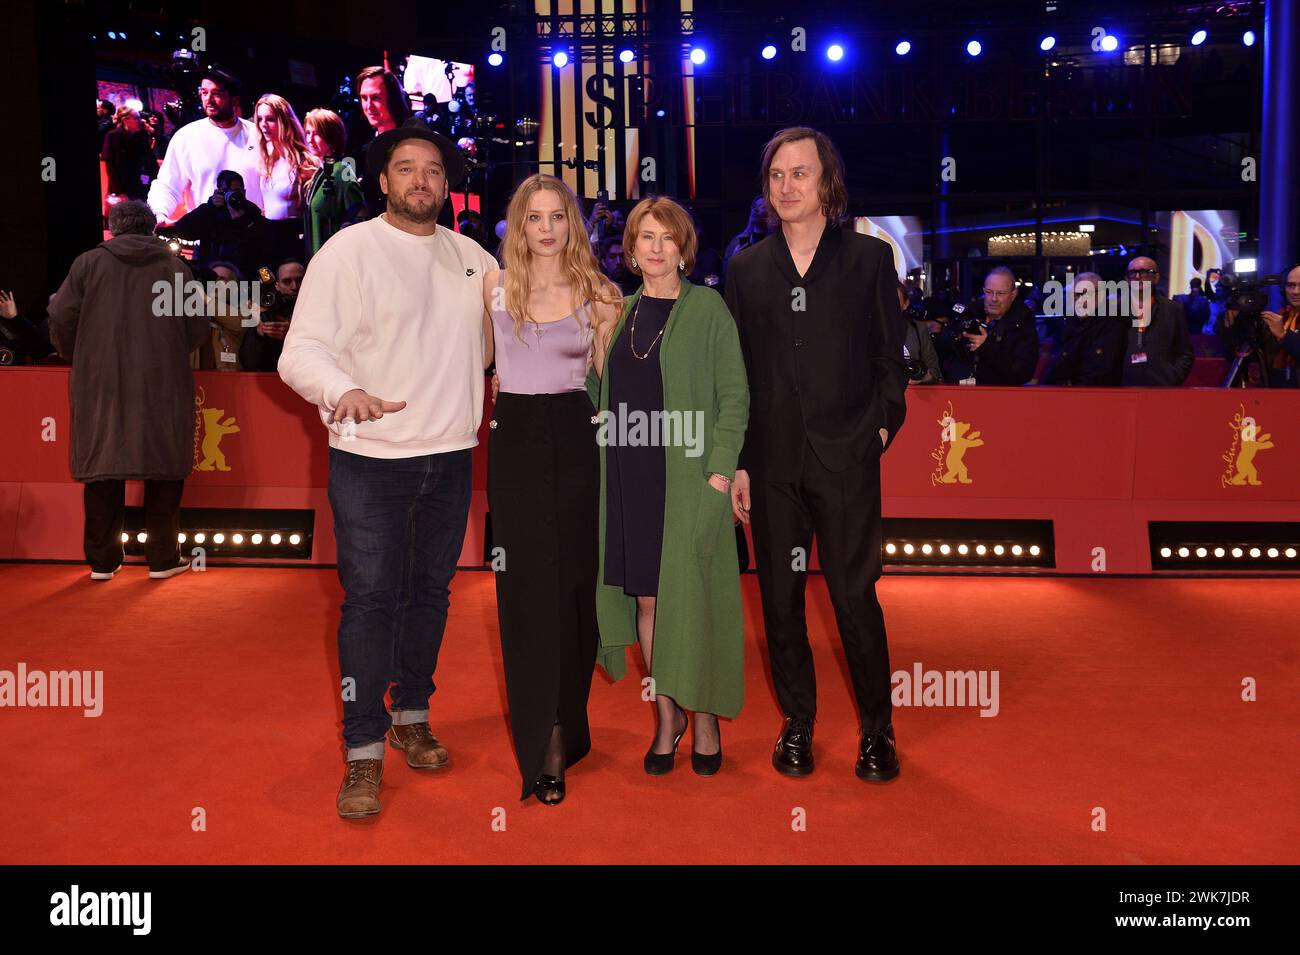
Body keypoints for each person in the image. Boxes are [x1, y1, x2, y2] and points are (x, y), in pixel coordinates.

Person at [278, 120, 496, 820]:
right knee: (369, 601)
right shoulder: (348, 251)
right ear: (383, 180)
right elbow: (300, 350)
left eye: (432, 169)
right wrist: (342, 391)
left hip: (452, 456)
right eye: (406, 168)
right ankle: (364, 748)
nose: (421, 181)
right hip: (371, 461)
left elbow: (512, 338)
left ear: (446, 181)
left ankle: (412, 710)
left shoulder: (474, 258)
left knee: (430, 594)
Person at [725, 126, 907, 783]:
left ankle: (878, 731)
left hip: (846, 461)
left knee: (856, 600)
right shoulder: (745, 269)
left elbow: (892, 363)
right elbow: (737, 375)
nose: (787, 186)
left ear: (826, 183)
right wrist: (741, 460)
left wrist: (879, 431)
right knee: (779, 603)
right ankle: (799, 721)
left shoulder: (867, 260)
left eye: (800, 173)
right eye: (777, 175)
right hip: (772, 468)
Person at [589, 195, 749, 777]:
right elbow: (593, 393)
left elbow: (735, 396)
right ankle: (666, 716)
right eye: (644, 238)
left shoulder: (707, 309)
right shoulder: (619, 314)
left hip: (688, 480)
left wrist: (720, 471)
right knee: (651, 604)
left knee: (695, 601)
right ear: (630, 249)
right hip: (630, 479)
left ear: (683, 248)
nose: (655, 249)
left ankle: (702, 717)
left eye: (667, 238)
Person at [483, 174, 620, 805]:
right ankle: (541, 737)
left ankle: (567, 723)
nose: (545, 228)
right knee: (523, 592)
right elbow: (474, 369)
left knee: (571, 590)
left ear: (572, 224)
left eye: (557, 217)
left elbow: (615, 389)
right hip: (512, 439)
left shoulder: (600, 294)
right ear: (518, 223)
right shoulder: (492, 288)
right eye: (533, 216)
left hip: (574, 437)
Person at [46, 200, 208, 580]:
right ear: (152, 227)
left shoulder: (88, 263)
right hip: (162, 380)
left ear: (113, 226)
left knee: (103, 464)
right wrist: (169, 350)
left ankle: (102, 562)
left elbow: (60, 314)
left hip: (101, 380)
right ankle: (163, 559)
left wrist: (79, 352)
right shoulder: (174, 268)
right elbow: (198, 328)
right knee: (165, 465)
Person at [148, 68, 263, 222]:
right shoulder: (186, 136)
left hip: (254, 232)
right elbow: (168, 185)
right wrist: (159, 213)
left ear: (234, 100)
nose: (209, 99)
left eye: (217, 94)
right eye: (204, 92)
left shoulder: (258, 135)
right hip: (207, 237)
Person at [936, 266, 1040, 385]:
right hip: (961, 393)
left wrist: (987, 347)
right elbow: (944, 356)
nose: (994, 299)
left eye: (1001, 293)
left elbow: (1022, 374)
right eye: (989, 292)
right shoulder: (971, 312)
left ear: (1013, 294)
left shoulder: (1023, 323)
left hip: (1001, 397)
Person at [163, 169, 274, 279]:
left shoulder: (252, 212)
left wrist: (241, 221)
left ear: (244, 192)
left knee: (266, 278)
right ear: (219, 192)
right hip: (211, 277)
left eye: (236, 192)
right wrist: (210, 207)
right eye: (227, 192)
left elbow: (261, 250)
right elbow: (182, 230)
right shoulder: (210, 212)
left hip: (243, 279)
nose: (232, 196)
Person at [252, 94, 318, 263]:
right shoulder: (265, 158)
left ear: (284, 121)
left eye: (270, 119)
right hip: (268, 238)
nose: (263, 125)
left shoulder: (305, 162)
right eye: (259, 119)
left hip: (295, 240)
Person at [303, 108, 366, 258]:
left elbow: (359, 220)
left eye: (316, 133)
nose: (310, 139)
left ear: (331, 137)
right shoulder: (322, 172)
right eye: (307, 133)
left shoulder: (342, 171)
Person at [1121, 256, 1193, 386]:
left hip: (1162, 385)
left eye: (1144, 272)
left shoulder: (1173, 309)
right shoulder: (1114, 309)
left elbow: (1185, 352)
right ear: (1127, 279)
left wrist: (1173, 377)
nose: (1138, 277)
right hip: (1123, 384)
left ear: (1156, 278)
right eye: (1132, 273)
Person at [1044, 271, 1125, 386]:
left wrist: (1068, 386)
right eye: (1077, 294)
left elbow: (1098, 372)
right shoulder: (1070, 323)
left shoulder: (1111, 325)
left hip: (1092, 395)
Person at [240, 258, 303, 372]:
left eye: (299, 280)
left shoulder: (321, 309)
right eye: (287, 281)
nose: (294, 287)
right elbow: (249, 364)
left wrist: (293, 334)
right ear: (277, 285)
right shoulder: (267, 312)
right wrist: (259, 332)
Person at [1258, 263, 1300, 387]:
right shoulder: (1283, 315)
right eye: (1291, 285)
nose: (1296, 292)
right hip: (1279, 390)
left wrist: (1283, 335)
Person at [101, 106, 155, 200]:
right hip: (122, 187)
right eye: (136, 118)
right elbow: (111, 167)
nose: (140, 121)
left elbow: (151, 161)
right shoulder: (113, 136)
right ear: (125, 120)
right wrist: (119, 192)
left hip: (141, 185)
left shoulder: (141, 136)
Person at [897, 280, 941, 384]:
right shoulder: (872, 329)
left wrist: (921, 376)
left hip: (914, 394)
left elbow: (935, 371)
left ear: (905, 304)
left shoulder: (918, 329)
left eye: (895, 301)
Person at [721, 196, 771, 284]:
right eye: (756, 207)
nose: (759, 210)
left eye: (764, 207)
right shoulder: (740, 240)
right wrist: (735, 256)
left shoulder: (774, 240)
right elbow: (725, 271)